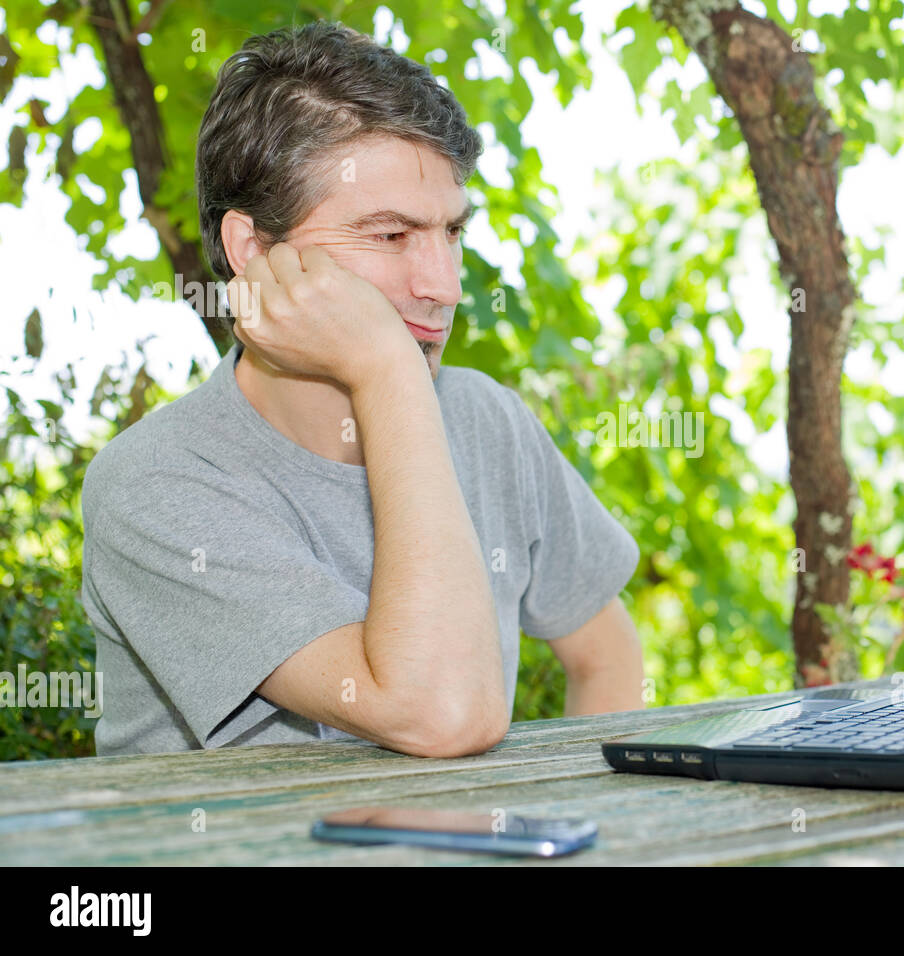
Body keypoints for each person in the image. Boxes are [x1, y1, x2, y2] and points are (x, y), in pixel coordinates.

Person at [79, 21, 643, 757]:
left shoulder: (486, 421)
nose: (442, 285)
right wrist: (388, 369)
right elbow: (439, 714)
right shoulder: (155, 485)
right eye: (390, 237)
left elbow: (606, 657)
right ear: (253, 252)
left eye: (452, 233)